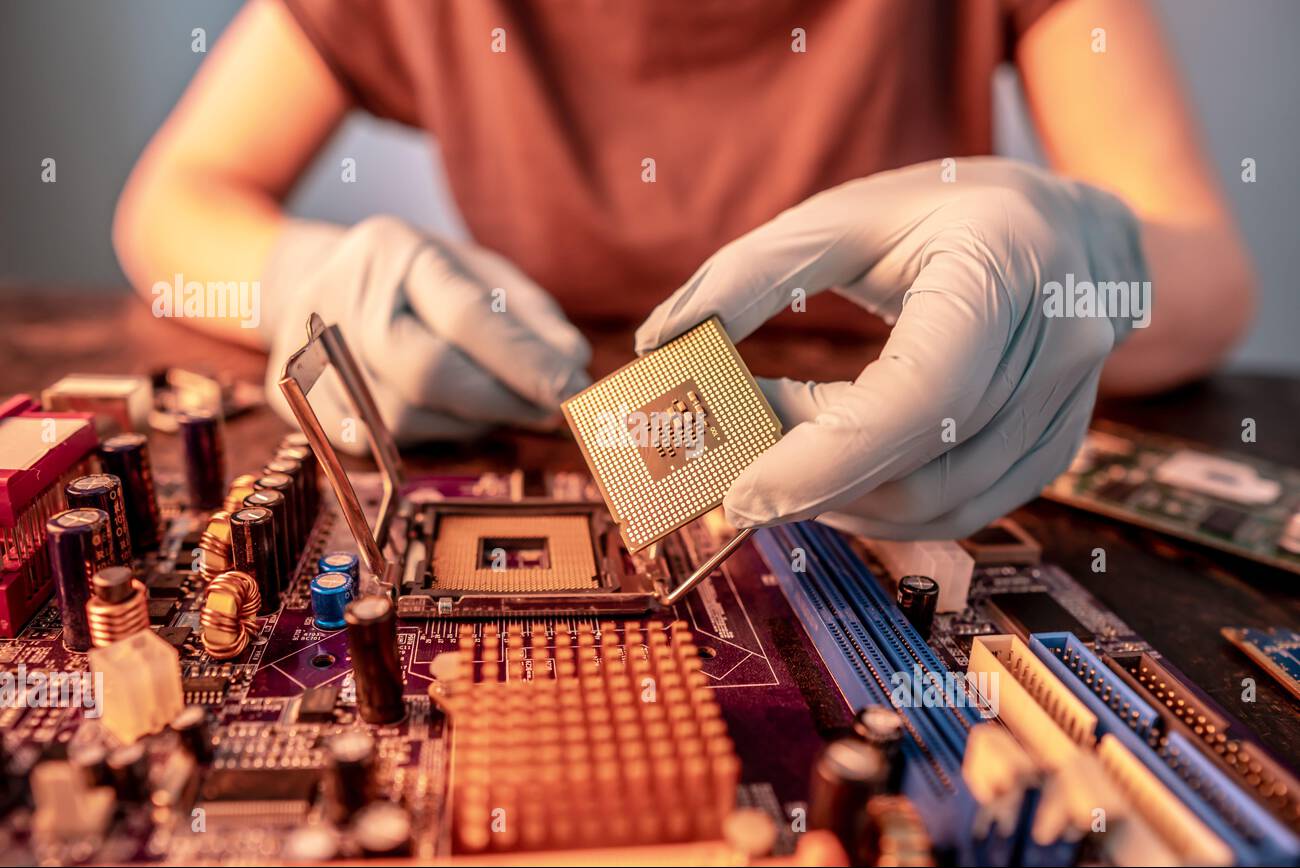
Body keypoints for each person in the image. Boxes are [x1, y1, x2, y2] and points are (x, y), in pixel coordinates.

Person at [113, 0, 1253, 541]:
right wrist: (307, 277)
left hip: (905, 468)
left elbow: (1207, 275)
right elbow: (172, 203)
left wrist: (1071, 271)